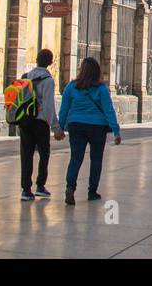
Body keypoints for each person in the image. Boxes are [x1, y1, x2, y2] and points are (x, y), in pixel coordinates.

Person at [57, 56, 121, 206]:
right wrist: (116, 131)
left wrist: (60, 128)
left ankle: (70, 187)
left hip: (76, 125)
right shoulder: (102, 89)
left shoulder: (71, 87)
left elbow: (64, 109)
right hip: (97, 127)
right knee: (96, 159)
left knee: (76, 158)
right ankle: (92, 191)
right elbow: (109, 110)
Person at [18, 49, 63, 201]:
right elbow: (49, 106)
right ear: (50, 62)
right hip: (40, 123)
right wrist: (56, 128)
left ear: (36, 60)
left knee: (26, 155)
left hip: (25, 121)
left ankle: (25, 189)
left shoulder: (27, 77)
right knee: (44, 154)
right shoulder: (48, 81)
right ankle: (40, 185)